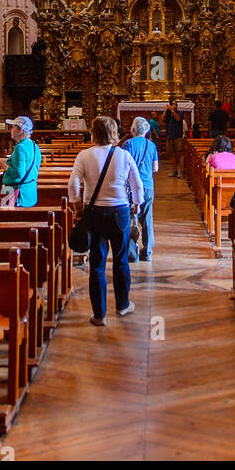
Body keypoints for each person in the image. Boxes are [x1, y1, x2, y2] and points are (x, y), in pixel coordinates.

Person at [68, 117, 144, 325]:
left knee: (97, 263)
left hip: (95, 213)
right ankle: (122, 305)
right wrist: (137, 204)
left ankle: (99, 314)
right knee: (121, 260)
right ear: (113, 133)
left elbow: (73, 183)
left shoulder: (84, 155)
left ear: (93, 133)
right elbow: (137, 184)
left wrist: (77, 206)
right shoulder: (123, 155)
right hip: (119, 211)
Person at [123, 116, 158, 261]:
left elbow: (125, 167)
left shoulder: (128, 144)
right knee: (147, 219)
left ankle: (132, 253)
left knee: (131, 218)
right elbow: (155, 168)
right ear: (147, 131)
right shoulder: (152, 145)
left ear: (132, 129)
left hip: (132, 186)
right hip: (148, 186)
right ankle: (148, 251)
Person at [0, 117, 42, 206]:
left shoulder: (20, 147)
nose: (11, 130)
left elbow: (18, 174)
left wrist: (4, 166)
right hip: (30, 193)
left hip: (18, 196)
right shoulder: (35, 146)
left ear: (20, 130)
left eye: (13, 127)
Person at [164, 98, 187, 178]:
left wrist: (173, 111)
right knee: (172, 154)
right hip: (170, 135)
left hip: (178, 136)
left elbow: (178, 119)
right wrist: (165, 110)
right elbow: (162, 120)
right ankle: (174, 171)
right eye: (173, 104)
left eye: (176, 104)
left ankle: (182, 171)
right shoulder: (168, 113)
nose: (175, 106)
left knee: (180, 153)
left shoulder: (180, 112)